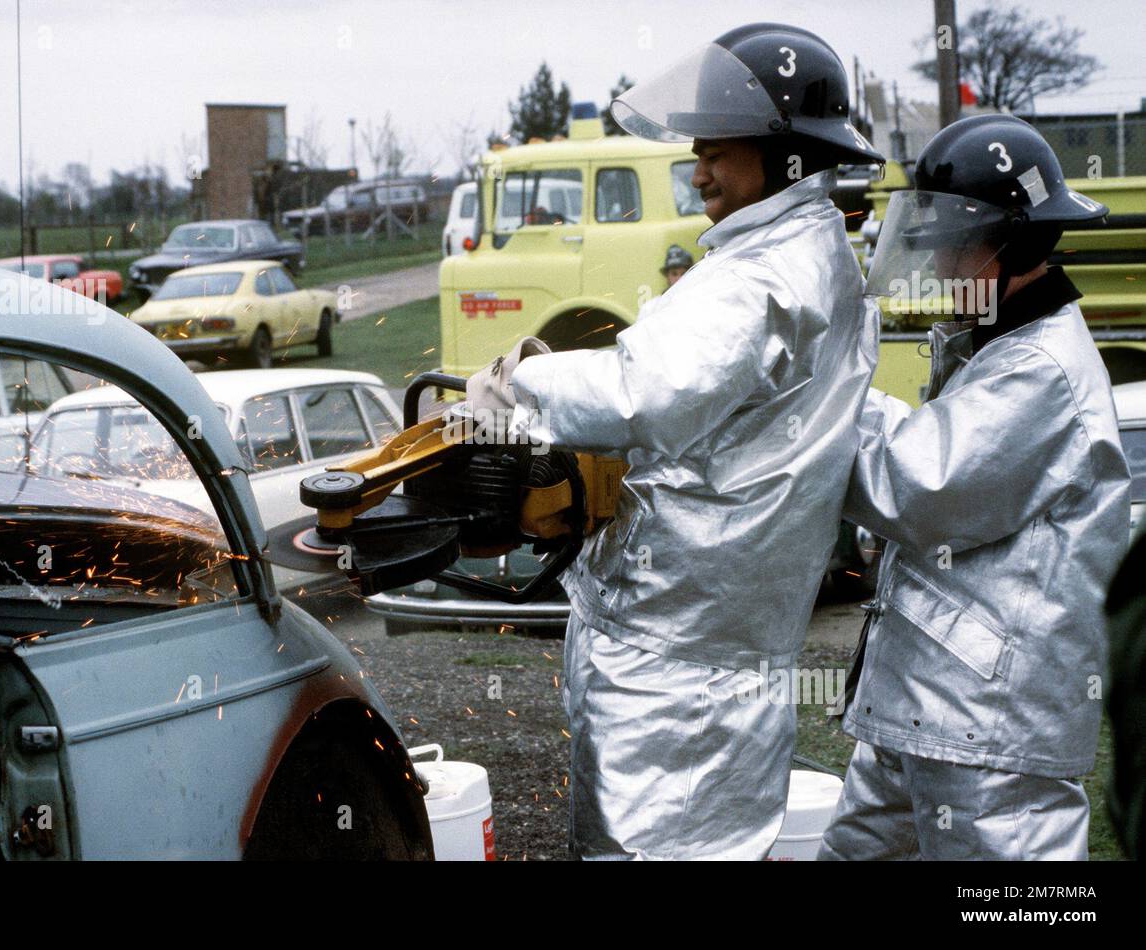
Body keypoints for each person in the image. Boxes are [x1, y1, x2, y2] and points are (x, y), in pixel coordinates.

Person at [467, 23, 884, 859]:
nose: (699, 174)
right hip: (718, 643)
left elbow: (642, 391)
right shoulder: (813, 254)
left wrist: (518, 383)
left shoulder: (758, 278)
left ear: (785, 153)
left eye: (716, 154)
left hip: (672, 655)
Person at [818, 114, 1131, 861]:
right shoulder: (996, 343)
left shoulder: (1042, 370)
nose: (934, 261)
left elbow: (917, 485)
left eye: (950, 242)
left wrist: (822, 403)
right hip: (930, 702)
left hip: (993, 729)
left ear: (1012, 244)